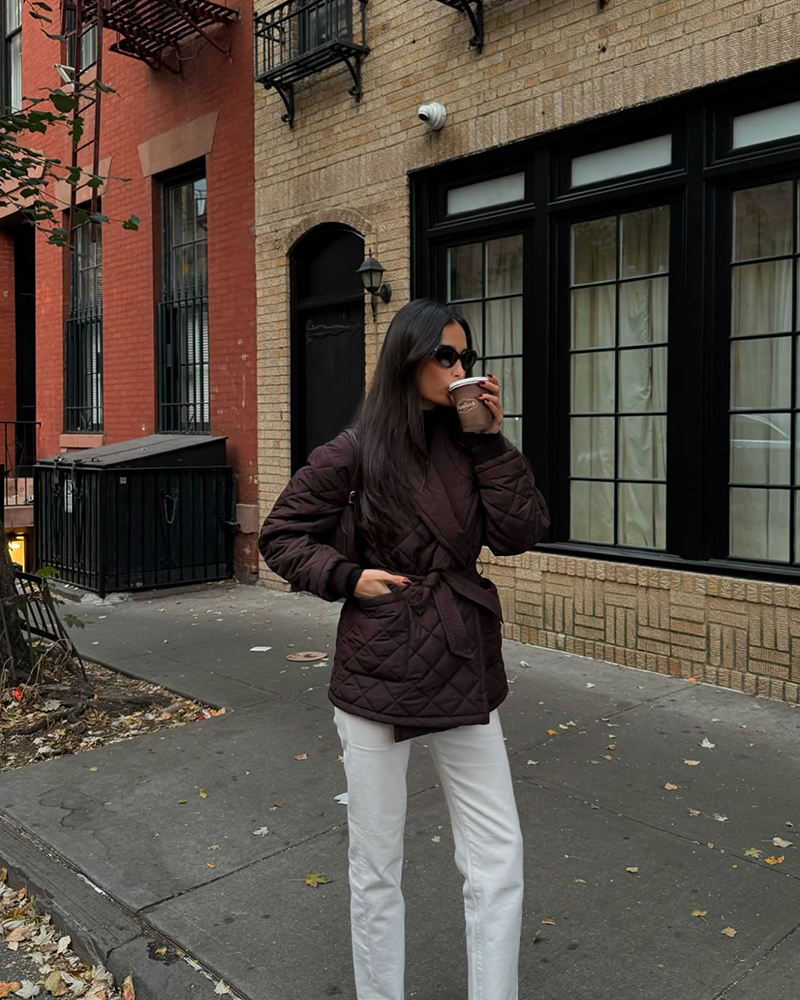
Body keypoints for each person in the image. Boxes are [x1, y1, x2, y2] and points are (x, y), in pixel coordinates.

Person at [259, 298, 550, 1000]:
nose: (460, 371)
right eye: (446, 357)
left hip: (460, 658)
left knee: (497, 855)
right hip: (379, 665)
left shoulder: (472, 444)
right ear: (408, 360)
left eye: (467, 358)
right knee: (375, 860)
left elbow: (521, 531)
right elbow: (281, 537)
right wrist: (349, 577)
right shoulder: (353, 450)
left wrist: (489, 439)